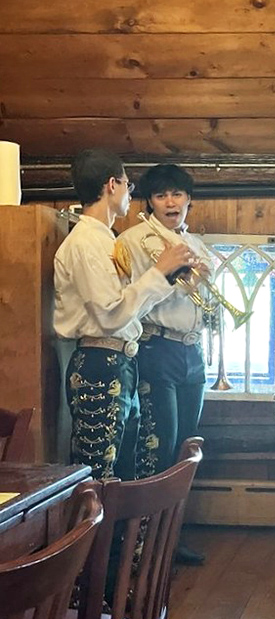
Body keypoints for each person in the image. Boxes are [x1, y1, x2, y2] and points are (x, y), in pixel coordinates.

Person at [54, 149, 197, 481]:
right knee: (98, 471)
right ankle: (93, 534)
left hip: (118, 360)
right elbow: (110, 315)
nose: (130, 194)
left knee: (123, 467)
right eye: (128, 186)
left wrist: (169, 277)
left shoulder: (105, 240)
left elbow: (128, 308)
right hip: (98, 359)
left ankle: (119, 534)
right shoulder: (86, 242)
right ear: (112, 185)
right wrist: (159, 271)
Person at [118, 164, 212, 564]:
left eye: (177, 194)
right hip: (158, 350)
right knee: (158, 453)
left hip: (193, 353)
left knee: (185, 450)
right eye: (161, 196)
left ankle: (171, 539)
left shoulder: (197, 243)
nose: (171, 202)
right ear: (149, 202)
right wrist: (173, 273)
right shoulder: (135, 241)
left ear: (189, 199)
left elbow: (202, 302)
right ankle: (147, 548)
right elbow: (138, 299)